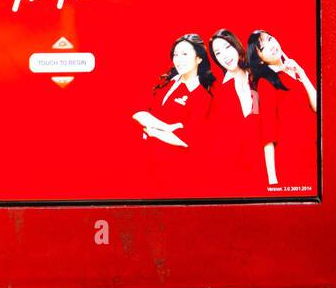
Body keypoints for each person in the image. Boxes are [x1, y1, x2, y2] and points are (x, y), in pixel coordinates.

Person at [133, 36, 215, 196]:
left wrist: (152, 131)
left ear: (199, 58)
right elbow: (138, 113)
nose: (178, 59)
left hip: (174, 172)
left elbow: (186, 139)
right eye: (176, 55)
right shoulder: (165, 82)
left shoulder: (203, 96)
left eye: (184, 54)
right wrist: (167, 127)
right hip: (145, 164)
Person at [247, 30, 318, 192]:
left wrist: (302, 74)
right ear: (260, 60)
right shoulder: (266, 83)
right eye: (263, 47)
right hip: (295, 158)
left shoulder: (292, 71)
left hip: (313, 152)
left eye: (270, 39)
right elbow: (268, 132)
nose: (271, 46)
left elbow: (317, 109)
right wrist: (273, 182)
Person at [208, 29, 269, 195]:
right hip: (235, 174)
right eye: (218, 53)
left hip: (267, 164)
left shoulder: (255, 75)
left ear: (236, 45)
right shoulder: (219, 92)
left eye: (227, 47)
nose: (224, 56)